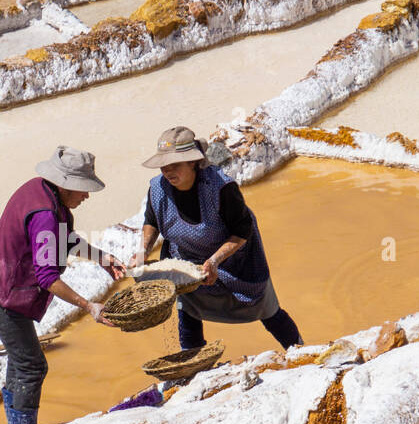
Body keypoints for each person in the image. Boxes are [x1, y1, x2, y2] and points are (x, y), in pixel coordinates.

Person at [0, 146, 125, 424]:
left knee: (21, 361)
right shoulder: (44, 214)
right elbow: (47, 279)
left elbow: (65, 240)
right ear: (66, 184)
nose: (86, 196)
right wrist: (89, 306)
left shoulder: (41, 191)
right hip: (5, 295)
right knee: (33, 366)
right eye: (83, 190)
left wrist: (101, 258)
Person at [128, 126, 301, 351]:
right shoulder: (158, 189)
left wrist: (214, 261)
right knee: (188, 312)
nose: (168, 171)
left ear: (192, 162)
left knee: (266, 309)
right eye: (164, 165)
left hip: (236, 260)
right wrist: (142, 250)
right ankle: (192, 363)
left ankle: (298, 350)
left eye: (175, 165)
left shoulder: (220, 187)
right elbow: (151, 221)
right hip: (188, 261)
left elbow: (242, 230)